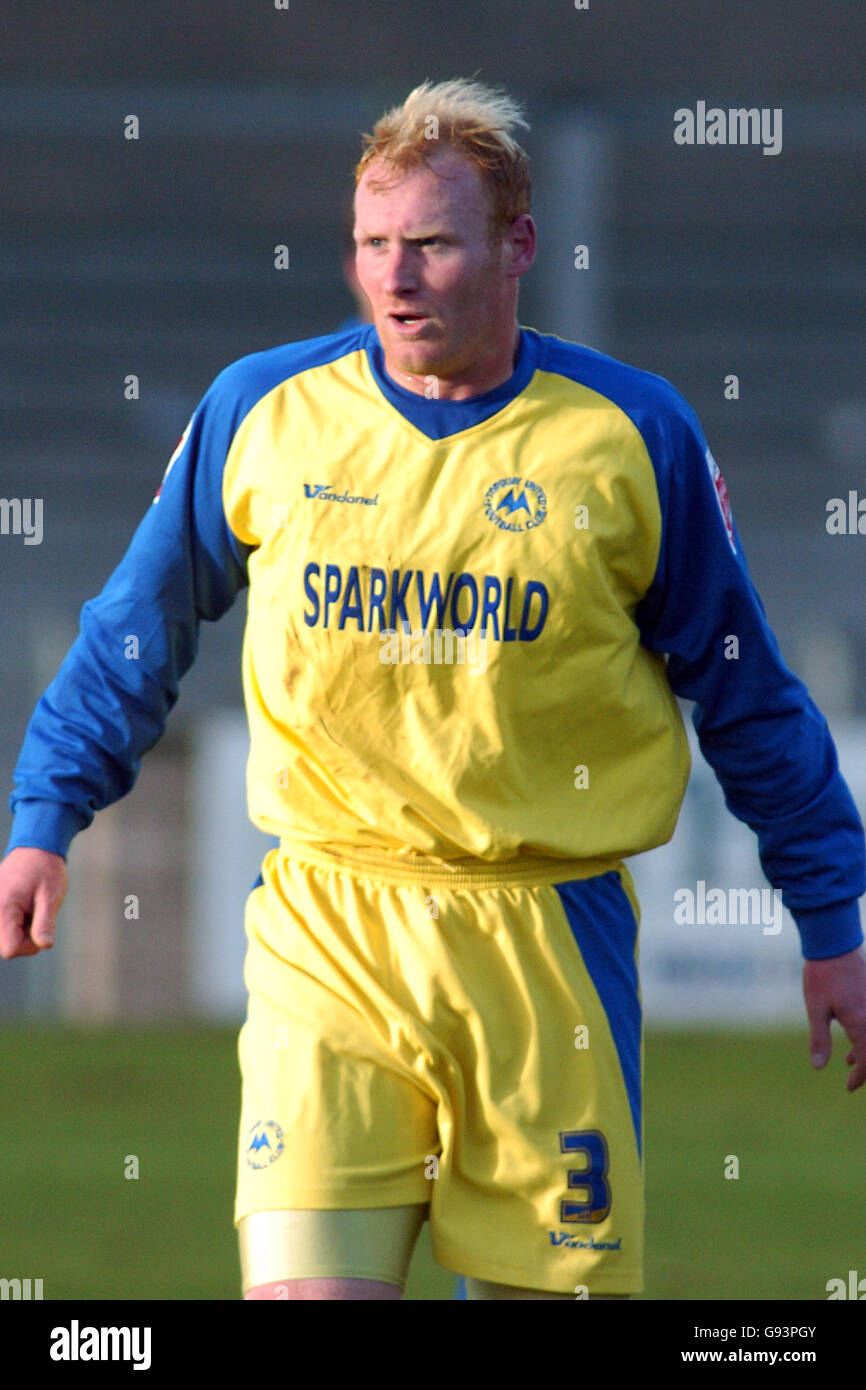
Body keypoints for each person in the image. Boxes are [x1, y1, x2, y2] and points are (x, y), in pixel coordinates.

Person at [2, 77, 865, 1303]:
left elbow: (746, 695)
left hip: (545, 945)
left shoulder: (628, 435)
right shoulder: (266, 411)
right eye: (370, 245)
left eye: (430, 244)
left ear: (517, 246)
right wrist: (46, 816)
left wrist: (830, 920)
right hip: (329, 924)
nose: (393, 277)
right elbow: (133, 635)